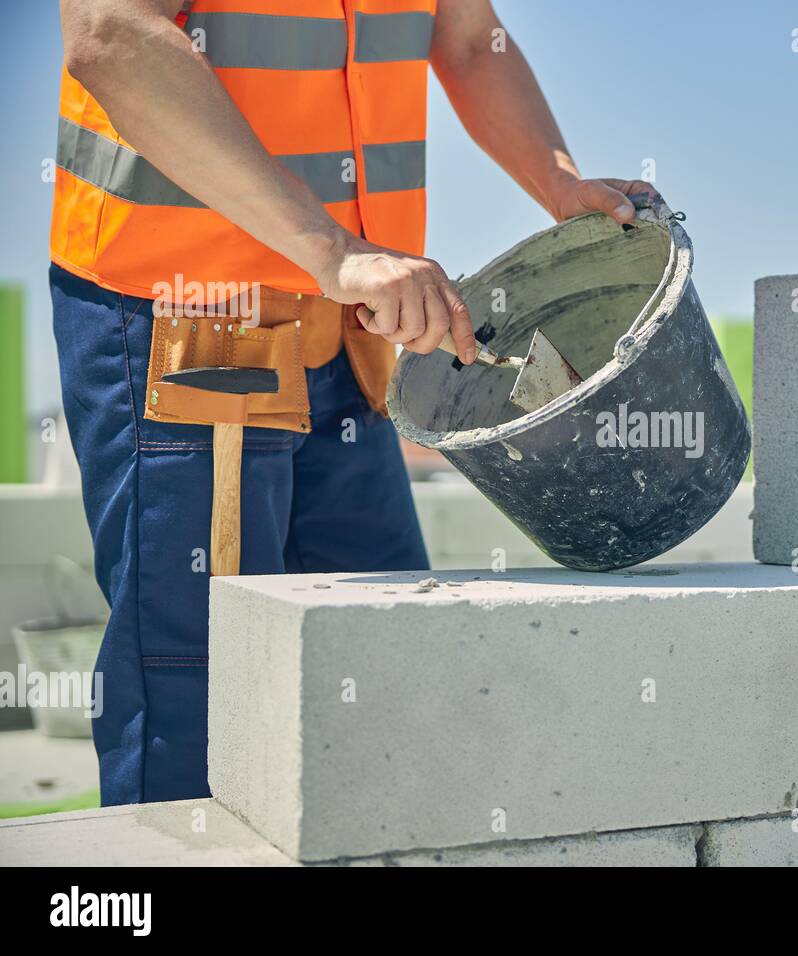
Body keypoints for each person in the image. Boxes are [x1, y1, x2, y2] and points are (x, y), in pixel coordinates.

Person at [53, 0, 655, 805]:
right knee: (197, 694)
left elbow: (472, 42)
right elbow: (112, 36)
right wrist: (331, 249)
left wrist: (557, 182)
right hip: (183, 317)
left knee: (377, 677)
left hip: (346, 331)